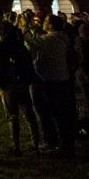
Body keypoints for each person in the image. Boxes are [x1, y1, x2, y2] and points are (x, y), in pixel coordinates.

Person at [31, 15, 77, 156]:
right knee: (63, 113)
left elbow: (30, 43)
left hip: (50, 81)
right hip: (63, 78)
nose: (43, 24)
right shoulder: (64, 38)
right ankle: (67, 142)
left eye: (45, 22)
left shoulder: (49, 39)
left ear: (50, 25)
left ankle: (58, 144)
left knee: (53, 113)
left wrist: (28, 28)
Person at [0, 17, 41, 154]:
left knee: (12, 115)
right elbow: (28, 63)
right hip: (22, 83)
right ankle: (36, 143)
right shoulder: (19, 44)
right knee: (29, 114)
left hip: (9, 85)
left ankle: (16, 146)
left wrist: (0, 86)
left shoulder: (0, 46)